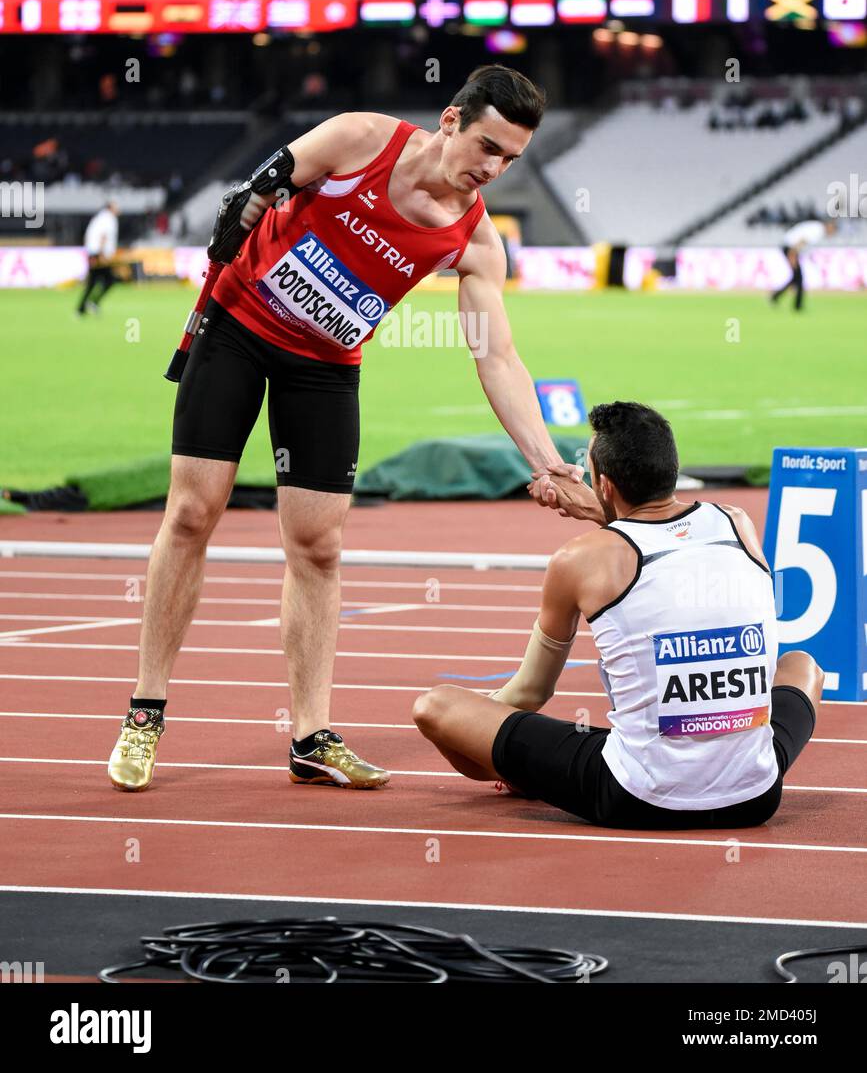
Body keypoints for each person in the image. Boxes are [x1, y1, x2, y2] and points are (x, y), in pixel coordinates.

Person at [108, 66, 604, 793]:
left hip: (325, 365)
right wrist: (249, 203)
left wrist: (547, 462)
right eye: (487, 148)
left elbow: (495, 355)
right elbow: (265, 184)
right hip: (238, 327)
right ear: (449, 121)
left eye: (510, 160)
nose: (493, 170)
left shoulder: (473, 241)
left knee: (319, 544)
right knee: (191, 511)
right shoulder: (357, 139)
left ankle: (308, 737)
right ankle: (145, 715)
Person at [413, 401, 823, 829]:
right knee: (801, 667)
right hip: (755, 796)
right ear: (670, 467)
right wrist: (596, 507)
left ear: (605, 485)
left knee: (437, 707)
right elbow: (662, 531)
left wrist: (484, 729)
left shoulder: (576, 560)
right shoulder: (737, 524)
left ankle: (525, 771)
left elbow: (529, 694)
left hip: (637, 796)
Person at [770, 218, 836, 311]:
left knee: (796, 277)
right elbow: (802, 241)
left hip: (791, 248)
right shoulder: (818, 230)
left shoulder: (817, 228)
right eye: (832, 230)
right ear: (829, 227)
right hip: (791, 249)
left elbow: (805, 244)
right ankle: (797, 305)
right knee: (799, 277)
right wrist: (792, 255)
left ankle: (776, 296)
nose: (831, 234)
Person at [77, 201, 120, 315]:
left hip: (93, 253)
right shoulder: (109, 218)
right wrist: (102, 254)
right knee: (109, 280)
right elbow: (103, 236)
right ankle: (90, 303)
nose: (118, 208)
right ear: (110, 208)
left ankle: (83, 308)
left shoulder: (98, 218)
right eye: (116, 206)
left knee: (94, 281)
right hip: (99, 254)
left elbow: (88, 236)